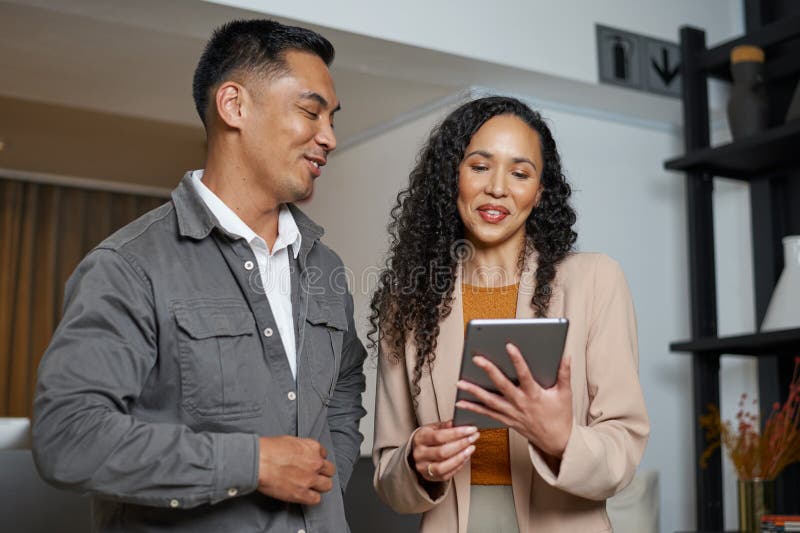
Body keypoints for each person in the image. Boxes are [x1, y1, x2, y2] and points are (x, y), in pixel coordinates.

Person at [32, 19, 367, 533]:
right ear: (234, 106)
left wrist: (328, 483)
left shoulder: (325, 267)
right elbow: (69, 438)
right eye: (310, 112)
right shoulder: (128, 266)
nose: (329, 137)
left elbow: (344, 385)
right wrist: (252, 464)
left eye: (331, 119)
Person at [370, 96, 649, 532]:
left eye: (520, 173)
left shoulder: (595, 281)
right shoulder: (407, 302)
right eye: (479, 166)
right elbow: (388, 475)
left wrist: (562, 439)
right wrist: (415, 460)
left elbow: (624, 451)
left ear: (539, 193)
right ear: (452, 177)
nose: (497, 187)